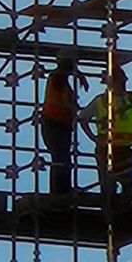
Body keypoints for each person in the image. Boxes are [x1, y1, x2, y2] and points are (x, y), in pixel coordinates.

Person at [84, 67, 132, 196]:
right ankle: (110, 206)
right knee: (109, 187)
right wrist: (94, 138)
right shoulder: (101, 101)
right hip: (107, 149)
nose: (123, 84)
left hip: (125, 148)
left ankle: (123, 205)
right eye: (119, 81)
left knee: (127, 185)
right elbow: (82, 118)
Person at [39, 49, 88, 196]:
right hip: (55, 123)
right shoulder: (58, 78)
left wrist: (79, 75)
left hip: (58, 124)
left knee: (62, 157)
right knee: (61, 158)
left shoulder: (60, 77)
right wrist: (75, 108)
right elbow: (62, 101)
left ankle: (62, 190)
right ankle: (60, 191)